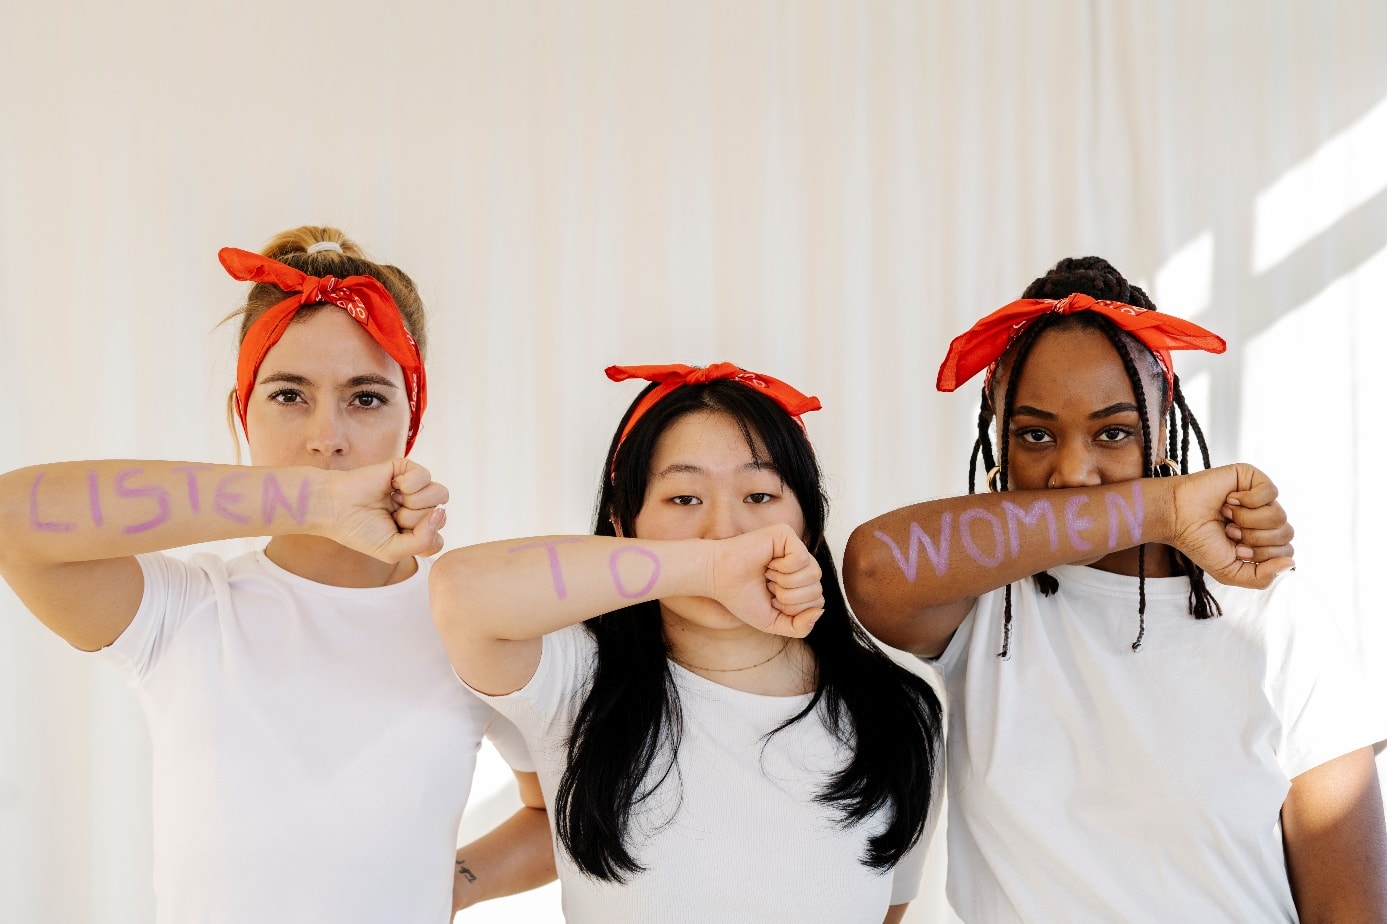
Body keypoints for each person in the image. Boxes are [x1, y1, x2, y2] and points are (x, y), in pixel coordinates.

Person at [0, 227, 554, 923]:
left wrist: (457, 883)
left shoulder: (467, 620)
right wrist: (313, 500)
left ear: (410, 419)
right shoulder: (182, 609)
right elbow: (14, 519)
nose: (327, 436)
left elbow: (561, 814)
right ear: (243, 412)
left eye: (366, 398)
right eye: (289, 395)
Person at [843, 256, 1387, 922]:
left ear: (1162, 429)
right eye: (1035, 434)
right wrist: (1163, 508)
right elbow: (874, 568)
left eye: (1114, 432)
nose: (1073, 472)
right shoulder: (982, 601)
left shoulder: (1270, 613)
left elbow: (1348, 908)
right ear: (997, 435)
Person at [428, 363, 945, 923]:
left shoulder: (901, 709)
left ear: (810, 526)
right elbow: (460, 590)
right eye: (683, 499)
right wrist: (711, 568)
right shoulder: (572, 676)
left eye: (759, 494)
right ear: (623, 524)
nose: (724, 532)